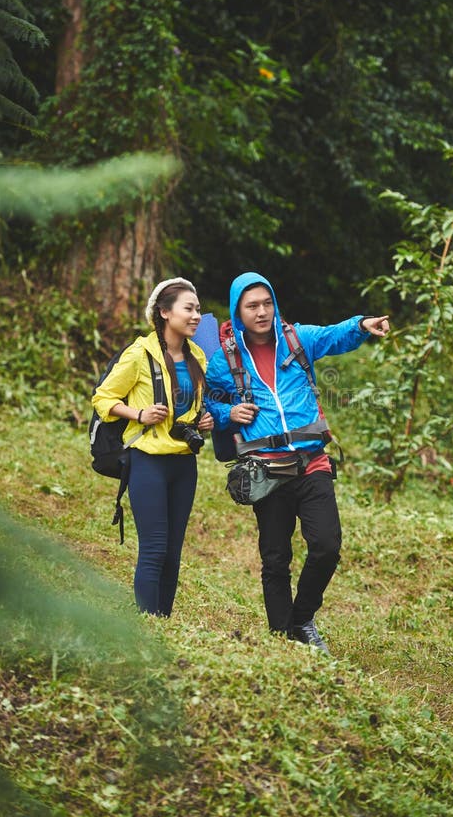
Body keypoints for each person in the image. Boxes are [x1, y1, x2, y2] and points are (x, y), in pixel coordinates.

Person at [206, 272, 389, 653]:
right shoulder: (225, 360)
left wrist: (362, 325)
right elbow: (208, 401)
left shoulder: (296, 338)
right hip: (266, 470)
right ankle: (282, 636)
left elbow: (332, 336)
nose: (261, 312)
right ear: (238, 311)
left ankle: (302, 618)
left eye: (267, 303)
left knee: (326, 545)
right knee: (275, 558)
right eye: (252, 306)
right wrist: (228, 413)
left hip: (311, 461)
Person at [92, 278, 214, 617]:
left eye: (198, 309)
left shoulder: (198, 356)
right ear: (164, 312)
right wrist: (139, 413)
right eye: (189, 309)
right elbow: (103, 397)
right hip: (146, 460)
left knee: (173, 551)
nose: (196, 316)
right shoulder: (138, 354)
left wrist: (203, 421)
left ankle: (163, 620)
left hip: (184, 464)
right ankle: (148, 624)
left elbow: (192, 408)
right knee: (155, 548)